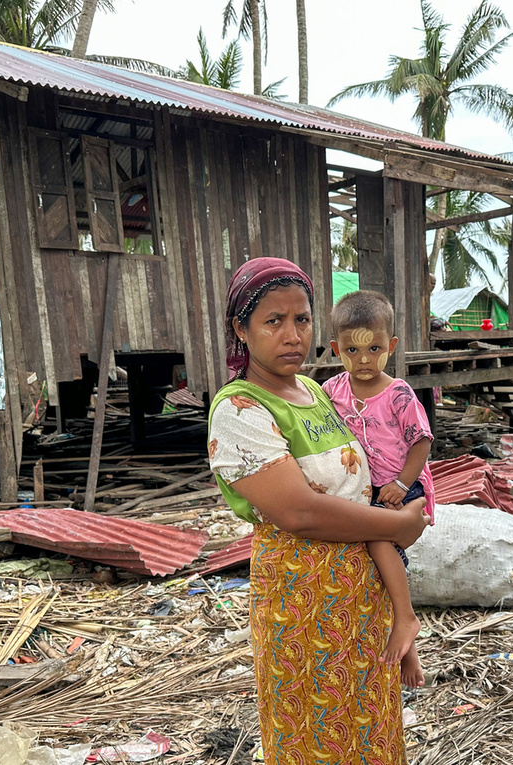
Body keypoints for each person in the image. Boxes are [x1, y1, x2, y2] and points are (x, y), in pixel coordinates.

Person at [207, 258, 427, 764]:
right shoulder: (240, 408)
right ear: (242, 329)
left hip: (363, 593)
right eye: (273, 321)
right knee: (314, 731)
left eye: (302, 319)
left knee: (371, 726)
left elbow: (360, 479)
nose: (292, 335)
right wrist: (398, 525)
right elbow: (299, 513)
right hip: (302, 599)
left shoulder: (313, 391)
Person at [322, 290, 435, 689]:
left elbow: (421, 441)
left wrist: (402, 482)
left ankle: (406, 619)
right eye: (352, 350)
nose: (364, 359)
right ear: (336, 349)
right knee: (380, 569)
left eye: (374, 348)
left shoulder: (399, 394)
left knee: (380, 541)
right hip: (364, 488)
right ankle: (408, 644)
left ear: (392, 346)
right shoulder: (332, 390)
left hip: (401, 485)